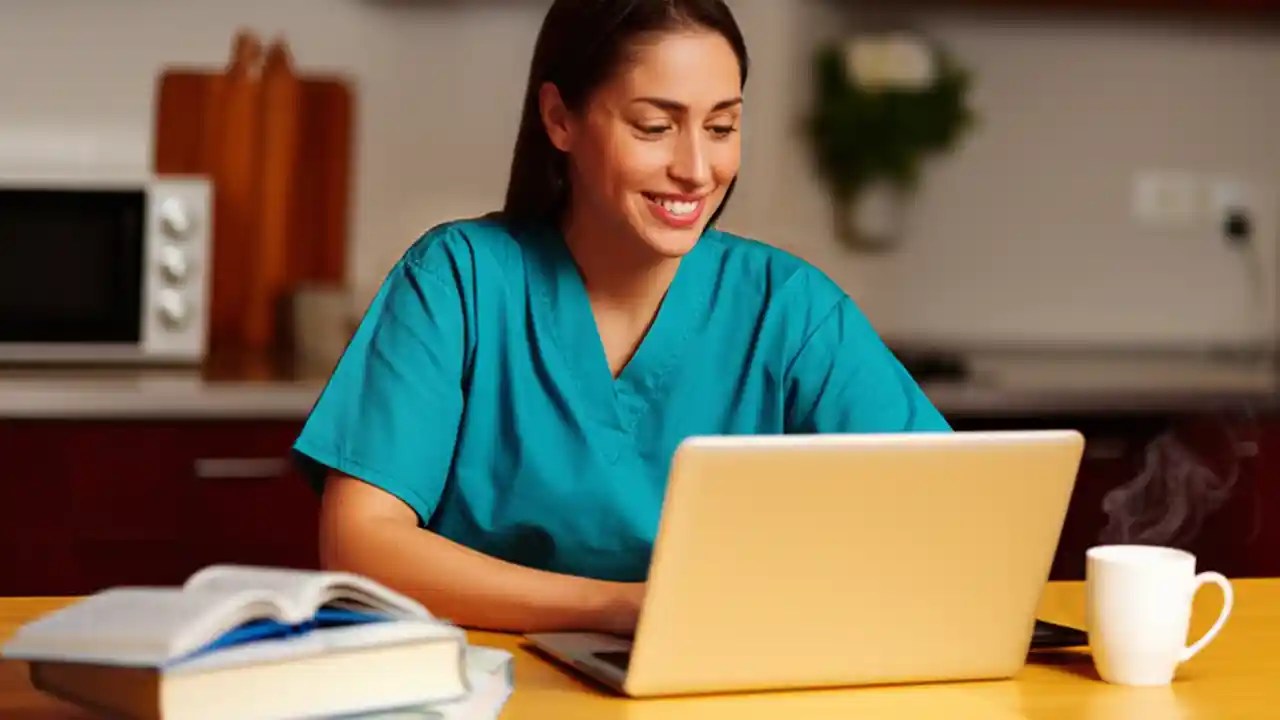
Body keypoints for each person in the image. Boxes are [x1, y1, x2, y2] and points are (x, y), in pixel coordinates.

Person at [292, 0, 951, 636]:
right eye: (655, 127)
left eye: (721, 128)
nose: (697, 170)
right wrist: (624, 608)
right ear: (560, 119)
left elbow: (947, 512)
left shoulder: (790, 308)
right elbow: (361, 543)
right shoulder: (457, 281)